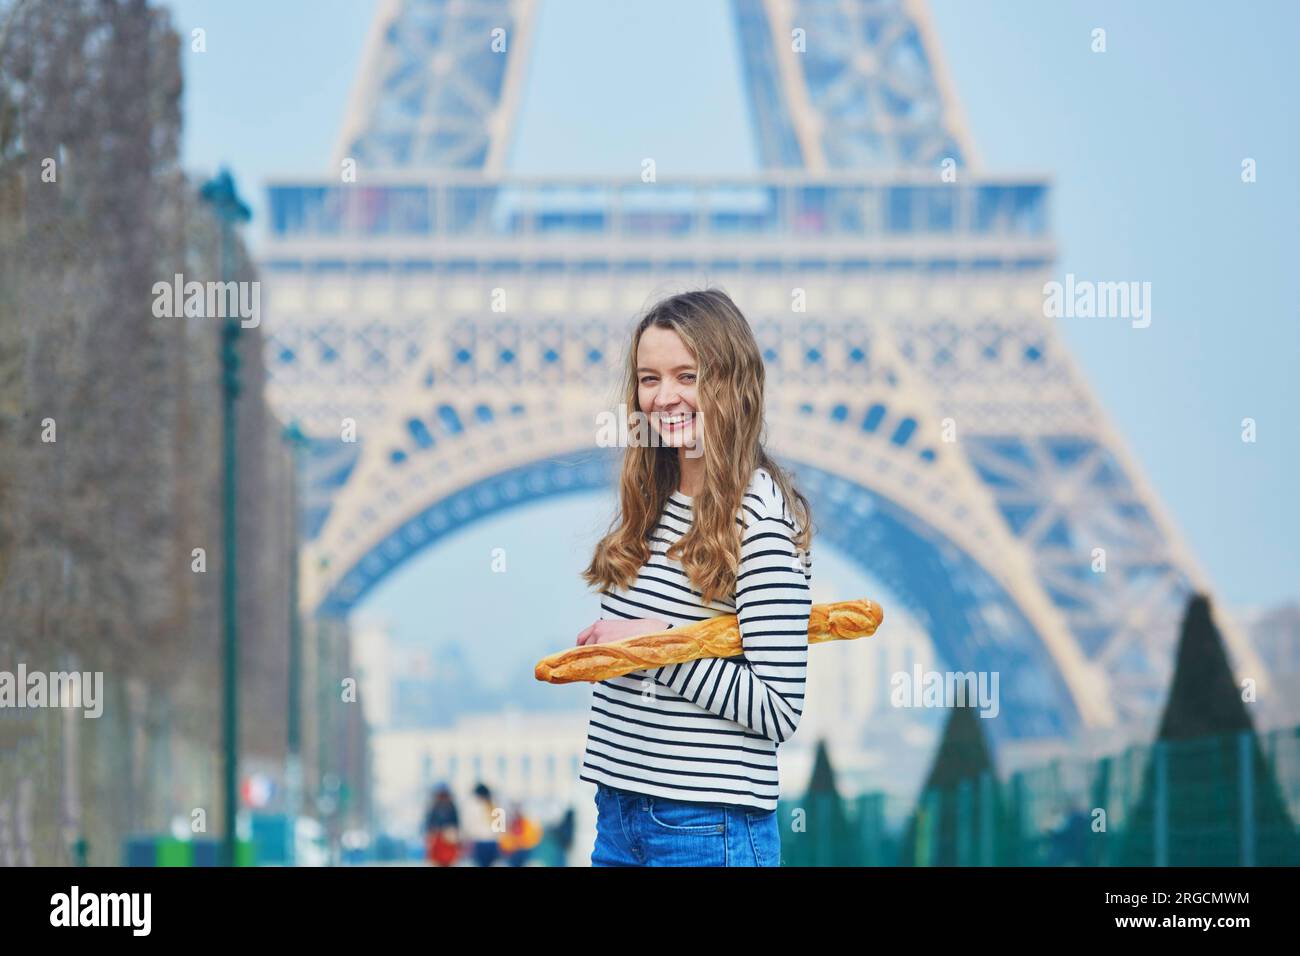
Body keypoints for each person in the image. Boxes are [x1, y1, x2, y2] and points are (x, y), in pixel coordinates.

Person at [576, 288, 814, 866]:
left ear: (732, 383)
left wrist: (654, 646)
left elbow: (779, 707)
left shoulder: (757, 512)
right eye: (649, 379)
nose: (665, 397)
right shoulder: (651, 504)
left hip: (707, 827)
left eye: (688, 375)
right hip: (619, 816)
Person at [461, 782, 502, 867]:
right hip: (482, 841)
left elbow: (499, 828)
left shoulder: (493, 805)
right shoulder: (493, 805)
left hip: (487, 841)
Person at [422, 783, 460, 866]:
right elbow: (429, 824)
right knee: (436, 861)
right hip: (437, 839)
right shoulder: (433, 807)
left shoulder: (451, 807)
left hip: (449, 838)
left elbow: (456, 824)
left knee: (448, 861)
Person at [498, 802, 543, 866]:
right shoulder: (510, 823)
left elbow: (534, 838)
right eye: (514, 809)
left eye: (518, 809)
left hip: (525, 850)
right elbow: (505, 841)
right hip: (513, 852)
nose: (516, 812)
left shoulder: (528, 823)